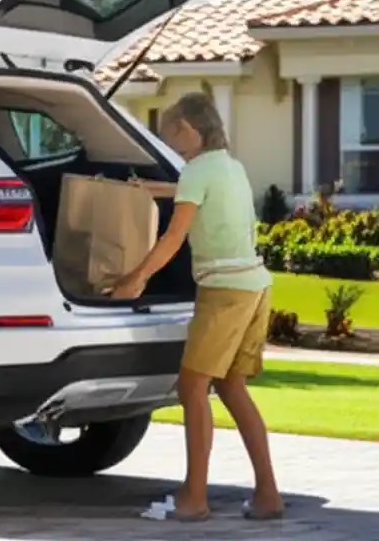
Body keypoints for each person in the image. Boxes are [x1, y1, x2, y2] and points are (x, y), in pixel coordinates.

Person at [109, 91, 283, 523]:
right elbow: (196, 193)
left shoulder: (196, 171)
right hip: (255, 286)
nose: (168, 139)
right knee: (230, 387)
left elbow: (173, 238)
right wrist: (153, 188)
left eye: (171, 131)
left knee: (191, 387)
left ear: (190, 129)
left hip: (224, 292)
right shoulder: (229, 166)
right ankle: (268, 495)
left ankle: (194, 499)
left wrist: (136, 278)